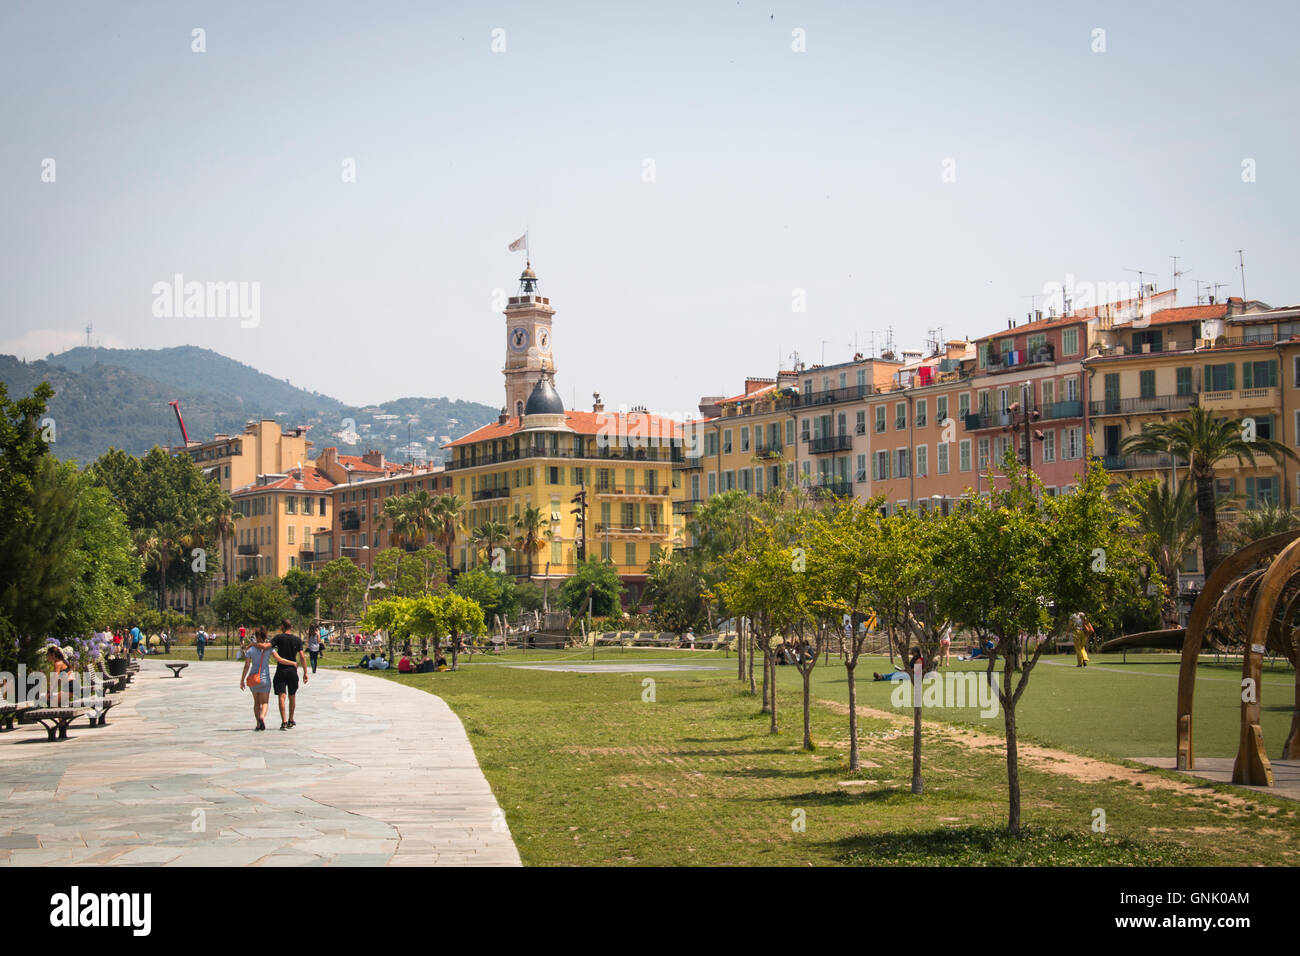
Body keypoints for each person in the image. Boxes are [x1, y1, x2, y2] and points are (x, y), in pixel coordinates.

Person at [270, 619, 308, 730]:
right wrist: (305, 672)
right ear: (291, 627)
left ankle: (284, 721)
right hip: (292, 670)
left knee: (282, 696)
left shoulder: (278, 638)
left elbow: (269, 646)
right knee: (292, 696)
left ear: (282, 626)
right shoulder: (297, 640)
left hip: (281, 670)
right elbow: (302, 656)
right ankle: (291, 719)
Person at [239, 628, 275, 731]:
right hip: (265, 679)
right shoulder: (269, 648)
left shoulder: (250, 649)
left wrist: (242, 680)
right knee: (265, 702)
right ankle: (262, 716)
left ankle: (258, 724)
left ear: (256, 636)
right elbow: (278, 658)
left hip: (253, 679)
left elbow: (246, 665)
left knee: (256, 703)